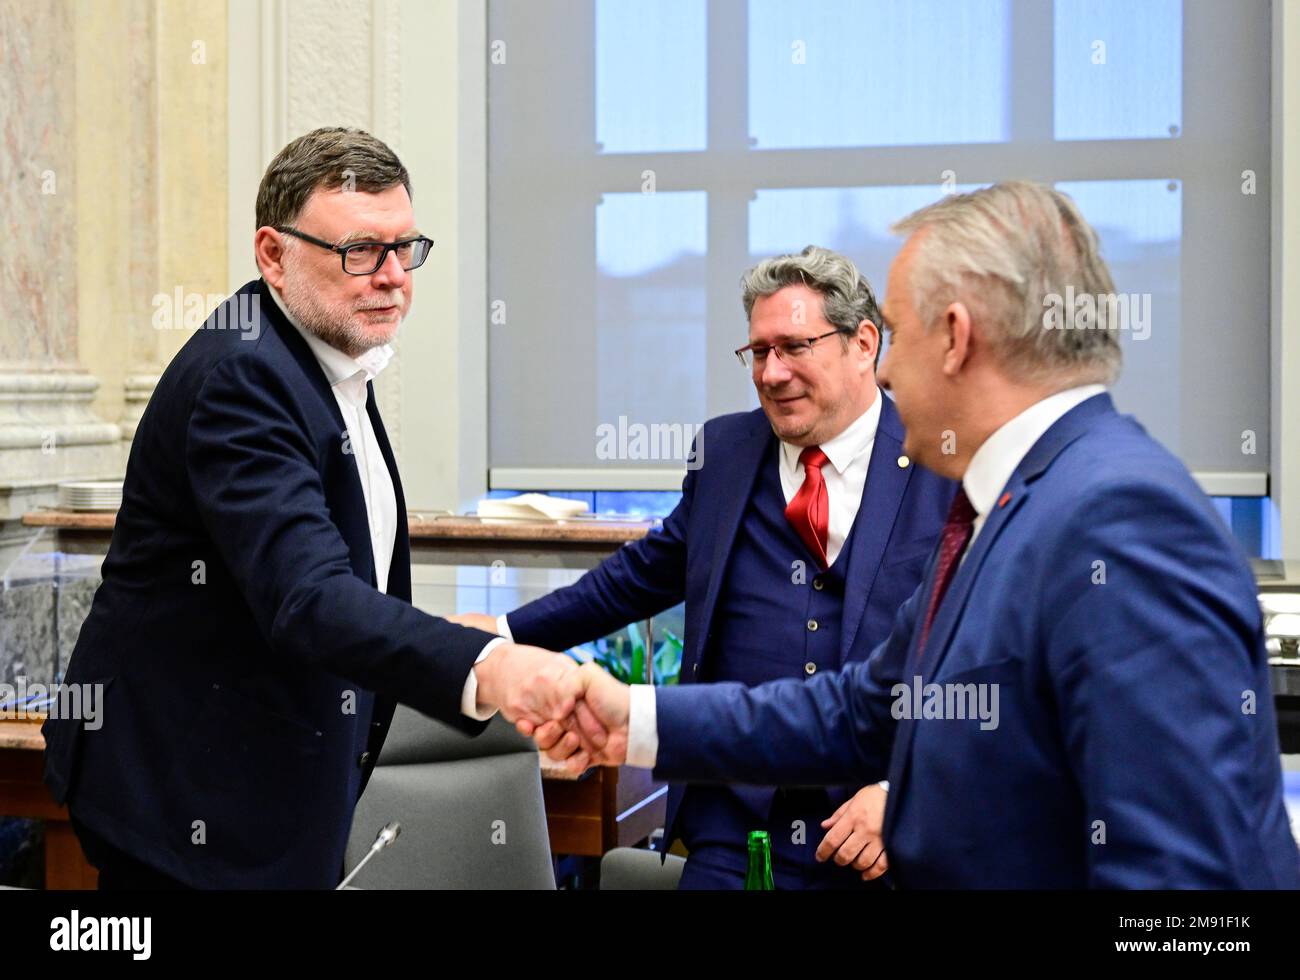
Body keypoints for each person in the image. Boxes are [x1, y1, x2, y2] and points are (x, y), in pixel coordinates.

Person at [531, 182, 1300, 889]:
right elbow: (855, 711)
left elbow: (1190, 891)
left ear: (957, 337)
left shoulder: (1121, 519)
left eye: (893, 334)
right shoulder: (1008, 504)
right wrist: (629, 719)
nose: (886, 372)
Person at [42, 127, 578, 889]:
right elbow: (310, 596)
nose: (392, 276)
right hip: (190, 803)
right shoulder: (244, 377)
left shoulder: (327, 357)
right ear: (273, 254)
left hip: (272, 787)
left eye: (405, 248)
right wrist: (495, 667)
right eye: (361, 251)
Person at [455, 246, 954, 888]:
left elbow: (977, 659)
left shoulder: (940, 459)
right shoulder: (725, 451)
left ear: (864, 344)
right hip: (730, 834)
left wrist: (902, 789)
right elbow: (639, 577)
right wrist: (501, 636)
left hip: (872, 840)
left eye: (795, 347)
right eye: (758, 352)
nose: (772, 373)